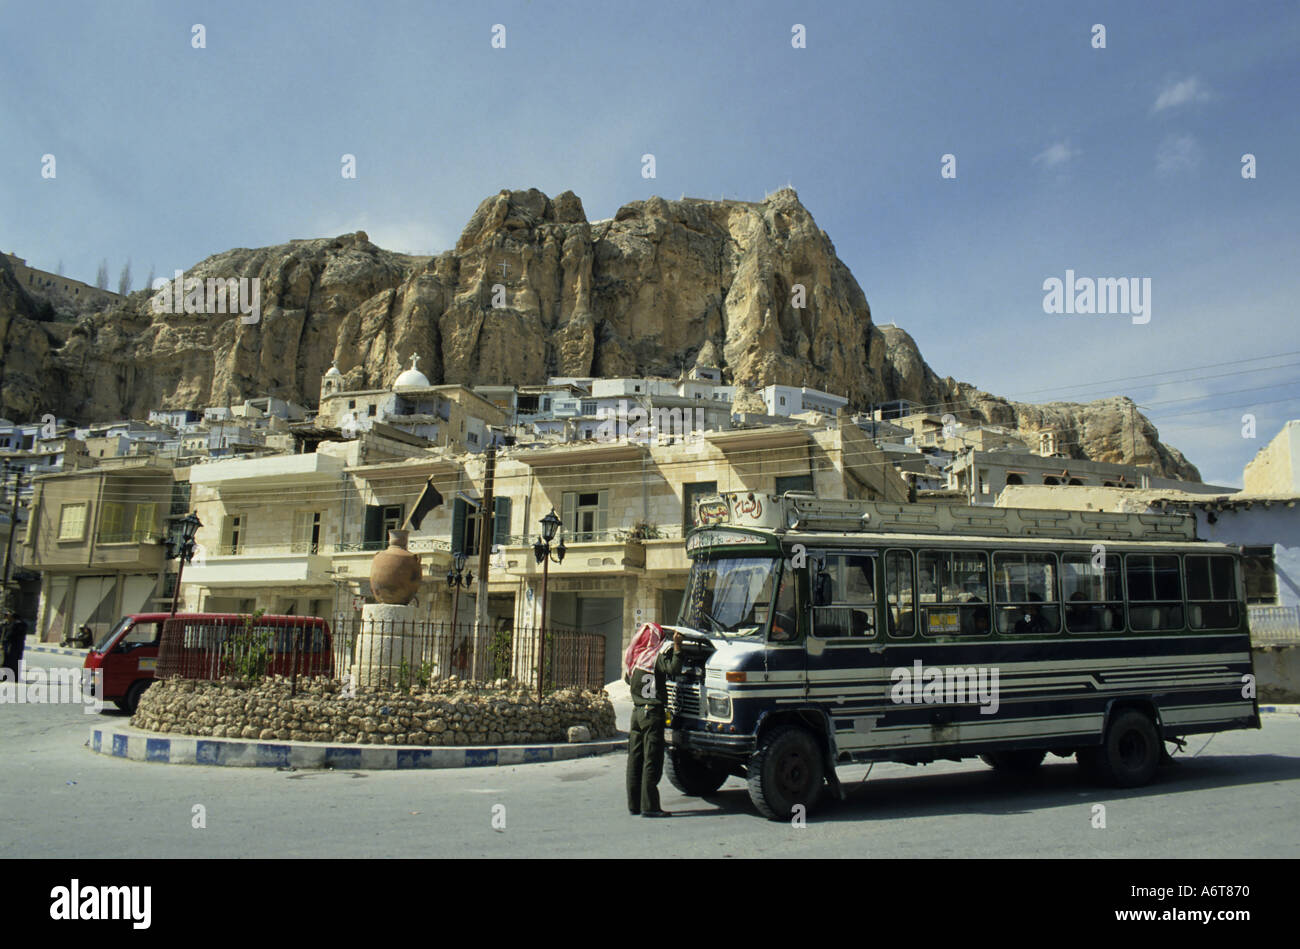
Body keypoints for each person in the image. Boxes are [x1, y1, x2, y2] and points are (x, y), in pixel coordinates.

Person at [623, 622, 683, 818]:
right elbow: (674, 668)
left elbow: (627, 679)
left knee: (635, 758)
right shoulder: (655, 658)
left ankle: (634, 804)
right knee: (652, 759)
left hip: (637, 712)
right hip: (653, 713)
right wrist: (677, 648)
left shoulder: (636, 658)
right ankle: (650, 806)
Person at [1, 609, 27, 681]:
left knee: (8, 661)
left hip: (11, 646)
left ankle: (7, 676)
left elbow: (9, 635)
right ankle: (15, 677)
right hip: (19, 646)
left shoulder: (14, 624)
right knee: (17, 661)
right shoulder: (24, 624)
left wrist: (3, 643)